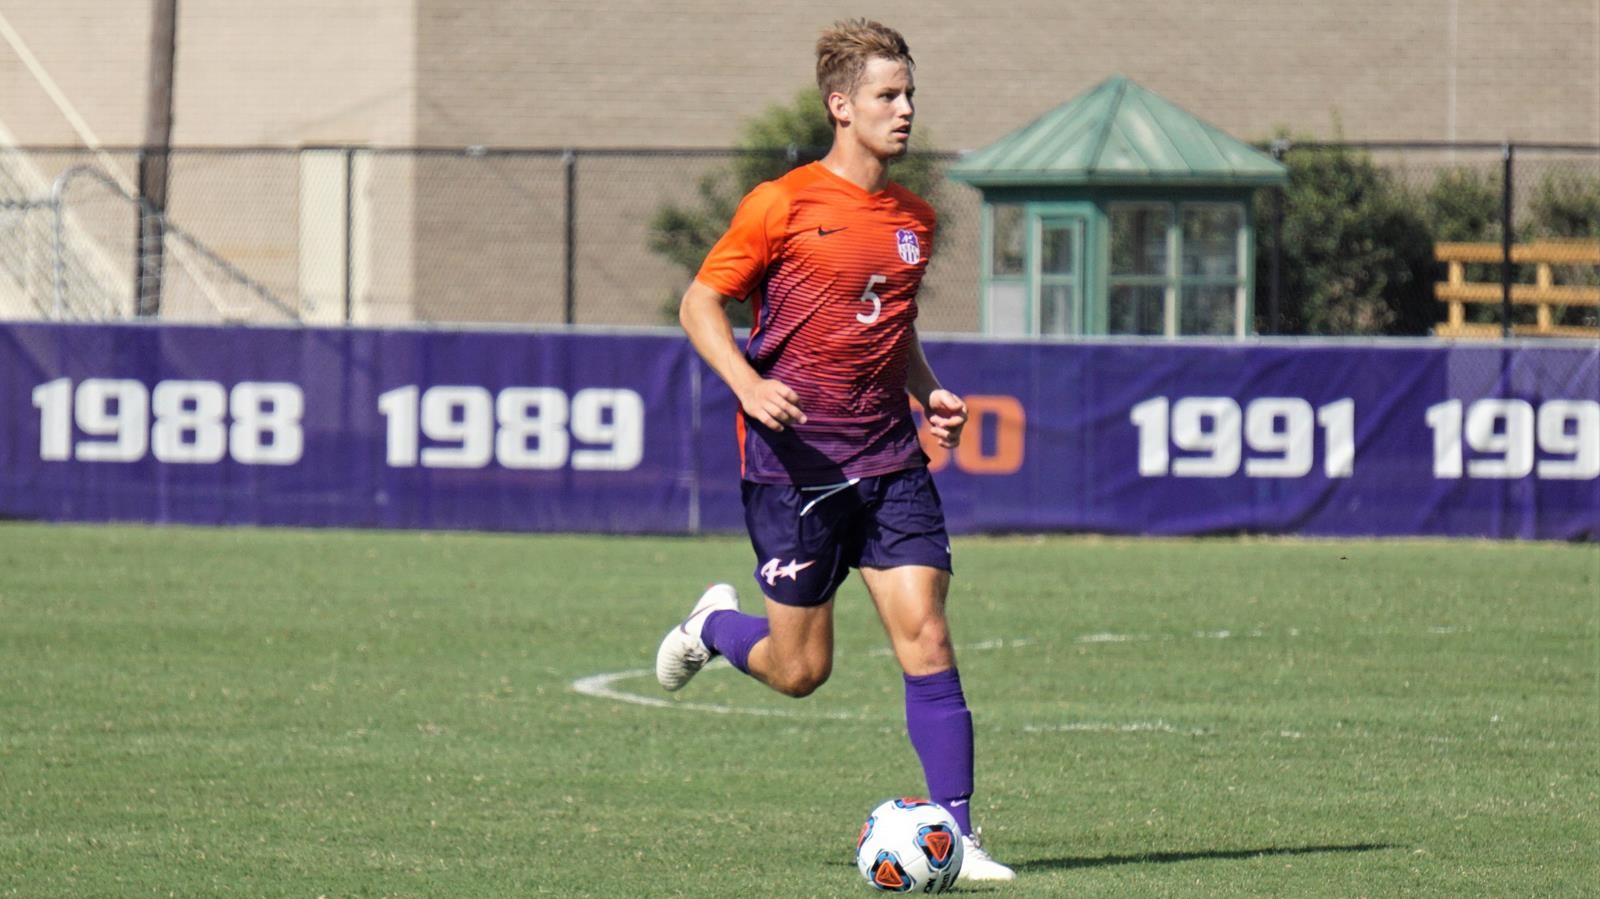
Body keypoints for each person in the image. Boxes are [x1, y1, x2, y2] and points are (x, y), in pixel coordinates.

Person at [653, 18, 1014, 883]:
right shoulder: (781, 203)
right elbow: (701, 304)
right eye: (889, 96)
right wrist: (746, 385)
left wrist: (927, 390)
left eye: (910, 94)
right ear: (840, 105)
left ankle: (959, 839)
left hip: (889, 458)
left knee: (926, 633)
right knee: (800, 669)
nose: (906, 110)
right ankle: (712, 625)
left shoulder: (914, 220)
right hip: (794, 467)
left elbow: (893, 329)